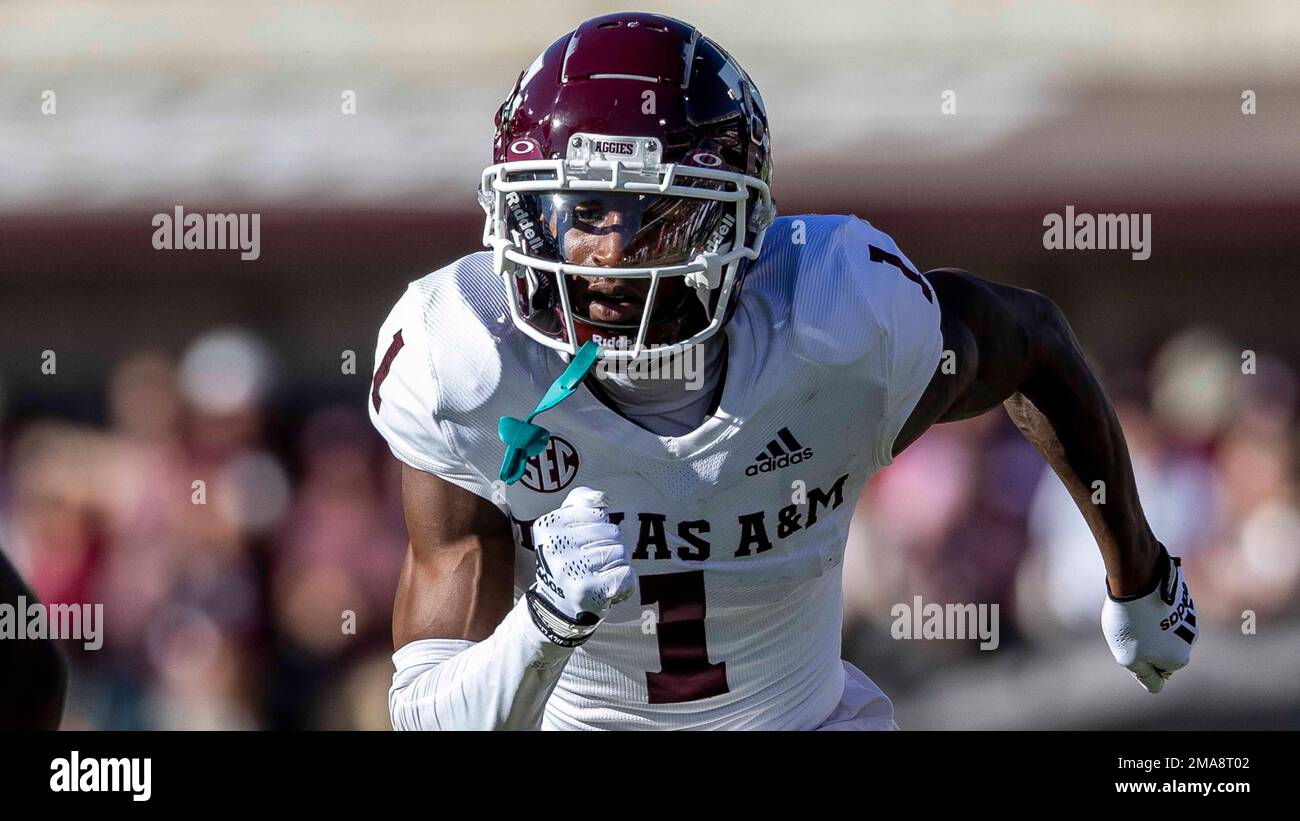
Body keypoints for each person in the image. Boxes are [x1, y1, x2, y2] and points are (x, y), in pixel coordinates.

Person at [369, 12, 1196, 730]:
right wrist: (543, 621)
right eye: (584, 211)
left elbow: (1036, 343)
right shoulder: (469, 367)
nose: (612, 253)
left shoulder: (838, 324)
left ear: (737, 221)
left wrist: (1140, 572)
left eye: (657, 214)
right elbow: (430, 715)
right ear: (522, 212)